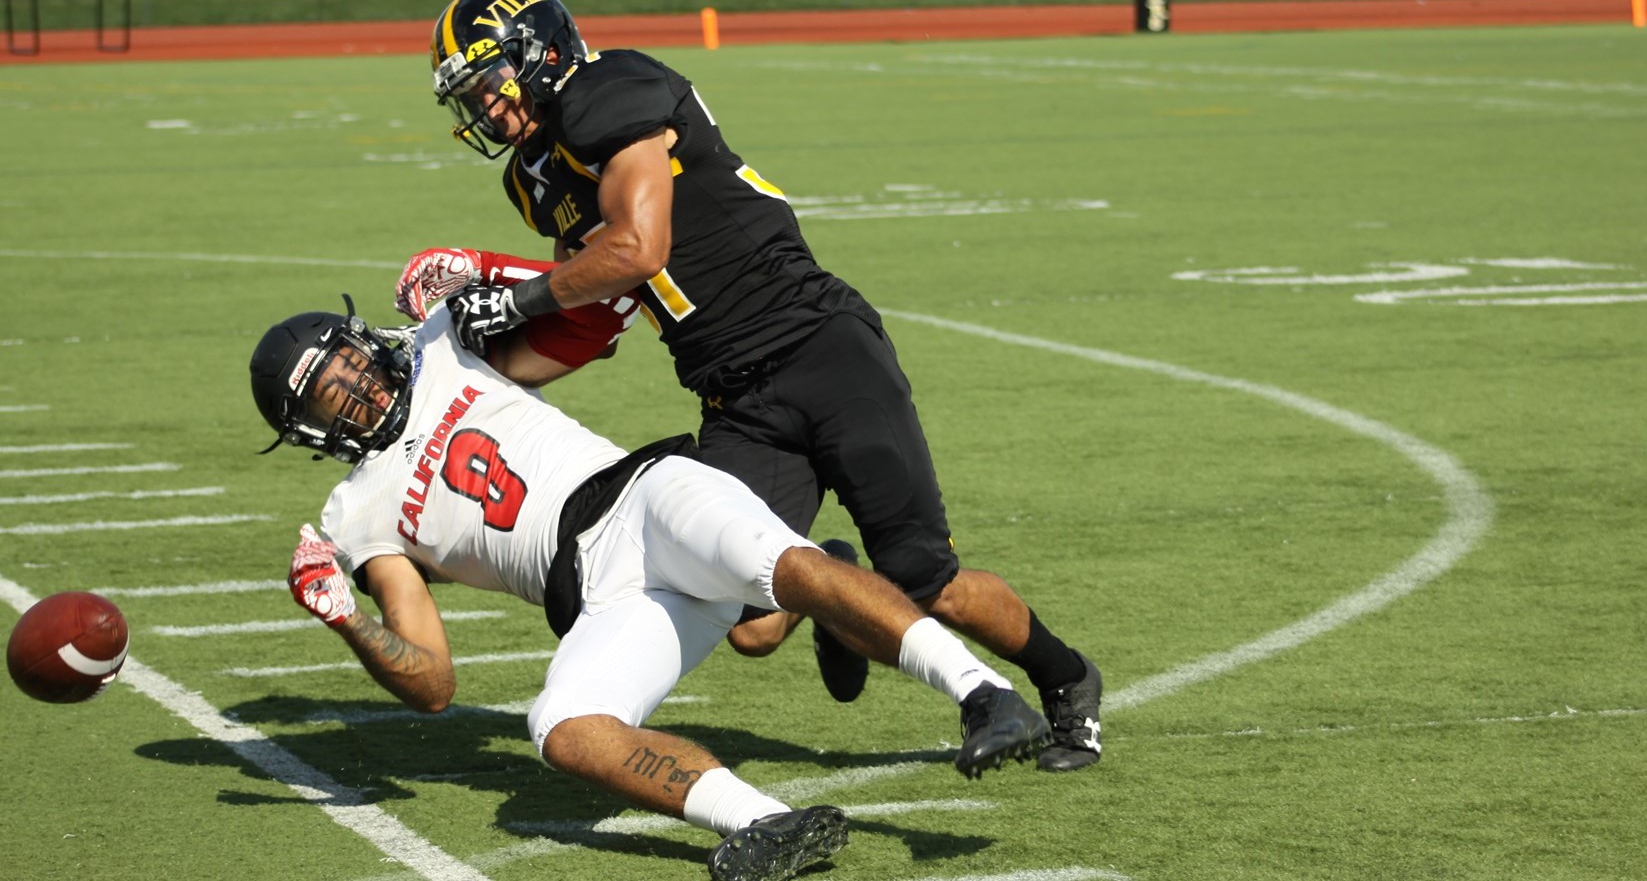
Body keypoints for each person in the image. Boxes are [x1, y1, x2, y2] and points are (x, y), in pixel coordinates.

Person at [398, 0, 1104, 773]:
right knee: (749, 621)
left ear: (539, 52)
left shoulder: (609, 90)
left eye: (490, 85)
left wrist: (514, 297)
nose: (487, 110)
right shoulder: (532, 181)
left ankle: (1066, 679)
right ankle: (834, 587)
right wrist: (476, 371)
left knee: (925, 581)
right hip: (734, 397)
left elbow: (638, 250)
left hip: (820, 350)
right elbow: (597, 318)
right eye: (471, 98)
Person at [251, 297, 1053, 881]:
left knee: (787, 573)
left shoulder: (441, 344)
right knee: (560, 726)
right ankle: (767, 823)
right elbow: (432, 681)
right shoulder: (356, 515)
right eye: (330, 388)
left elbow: (596, 312)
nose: (358, 382)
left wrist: (489, 279)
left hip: (643, 496)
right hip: (597, 594)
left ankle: (984, 693)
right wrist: (349, 621)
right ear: (311, 428)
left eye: (350, 359)